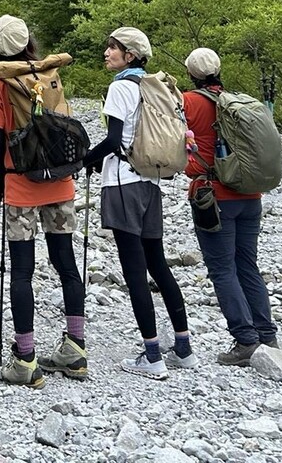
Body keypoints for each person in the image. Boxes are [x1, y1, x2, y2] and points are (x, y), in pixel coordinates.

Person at [81, 27, 194, 379]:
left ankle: (152, 356)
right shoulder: (152, 85)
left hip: (122, 184)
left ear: (129, 55)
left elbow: (115, 140)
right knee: (157, 264)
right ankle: (183, 348)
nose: (106, 53)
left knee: (134, 271)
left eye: (113, 48)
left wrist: (87, 158)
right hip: (150, 181)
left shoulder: (120, 87)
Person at [0, 15, 87, 386]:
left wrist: (1, 175)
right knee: (66, 265)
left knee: (21, 271)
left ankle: (25, 358)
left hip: (21, 184)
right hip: (59, 182)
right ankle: (75, 350)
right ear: (29, 42)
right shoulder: (49, 73)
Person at [182, 47, 278, 365]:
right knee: (247, 265)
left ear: (191, 73)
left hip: (212, 195)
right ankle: (267, 336)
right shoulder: (238, 101)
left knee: (222, 270)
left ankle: (245, 340)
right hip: (250, 195)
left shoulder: (190, 101)